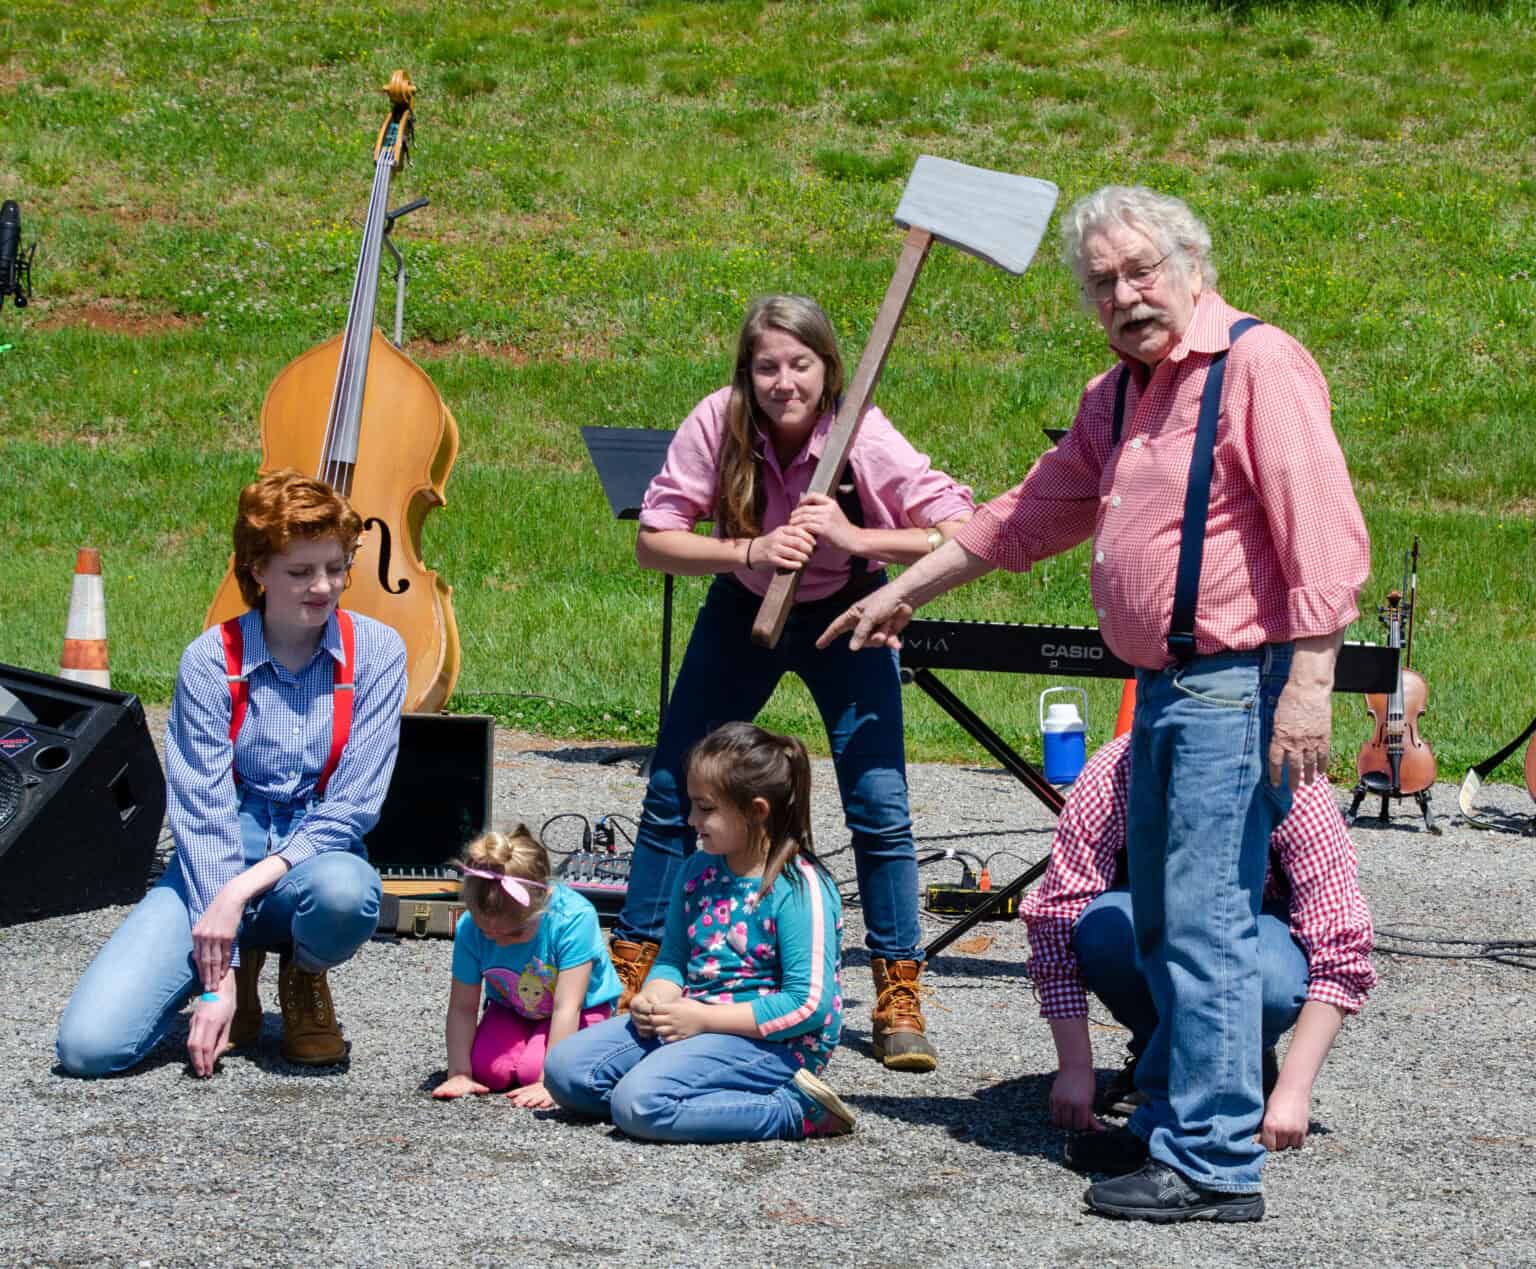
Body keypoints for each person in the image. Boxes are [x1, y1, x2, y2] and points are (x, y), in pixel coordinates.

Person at [821, 186, 1370, 1221]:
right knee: (1166, 925)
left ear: (1192, 265)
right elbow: (1024, 518)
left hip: (1233, 685)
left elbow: (1325, 536)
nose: (1125, 295)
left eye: (1141, 271)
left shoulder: (1258, 365)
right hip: (1162, 690)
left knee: (1207, 924)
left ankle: (1212, 1163)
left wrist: (1309, 684)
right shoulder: (1115, 395)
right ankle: (1167, 1123)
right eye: (1104, 282)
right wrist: (897, 591)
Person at [608, 294, 975, 1072]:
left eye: (799, 364)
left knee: (880, 804)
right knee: (676, 789)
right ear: (747, 372)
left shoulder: (861, 433)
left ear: (827, 369)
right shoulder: (719, 421)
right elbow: (653, 542)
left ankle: (896, 988)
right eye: (767, 365)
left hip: (848, 608)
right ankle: (633, 969)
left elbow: (957, 526)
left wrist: (853, 535)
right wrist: (752, 552)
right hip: (744, 603)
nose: (783, 381)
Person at [56, 469, 407, 1078]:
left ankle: (304, 974)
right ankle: (239, 969)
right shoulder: (210, 660)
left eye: (335, 566)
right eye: (300, 572)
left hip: (310, 866)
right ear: (256, 571)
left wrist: (241, 892)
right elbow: (203, 813)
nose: (323, 587)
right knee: (89, 1048)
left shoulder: (377, 652)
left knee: (348, 895)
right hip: (216, 855)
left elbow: (351, 808)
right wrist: (219, 980)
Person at [1022, 732, 1375, 1174]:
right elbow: (1057, 914)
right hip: (1155, 912)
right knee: (1103, 929)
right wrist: (1075, 1066)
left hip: (1259, 922)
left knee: (1272, 980)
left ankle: (1238, 1054)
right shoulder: (1117, 769)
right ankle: (1166, 1053)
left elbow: (1340, 939)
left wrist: (1294, 1090)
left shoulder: (1289, 773)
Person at [545, 722, 854, 1141]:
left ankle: (795, 1111)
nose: (691, 820)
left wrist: (704, 1020)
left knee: (639, 1105)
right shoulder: (696, 870)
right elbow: (673, 958)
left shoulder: (800, 887)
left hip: (777, 1046)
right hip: (692, 1020)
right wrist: (655, 995)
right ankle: (687, 1091)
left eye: (705, 808)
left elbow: (808, 1006)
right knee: (565, 1072)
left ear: (756, 811)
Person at [431, 827, 622, 1108]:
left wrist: (550, 1082)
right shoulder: (470, 928)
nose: (499, 942)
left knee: (534, 1071)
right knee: (489, 1072)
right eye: (487, 933)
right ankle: (527, 1044)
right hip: (514, 1006)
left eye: (513, 934)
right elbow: (462, 1006)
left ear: (540, 906)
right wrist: (459, 1073)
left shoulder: (572, 918)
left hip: (582, 1009)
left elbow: (567, 1007)